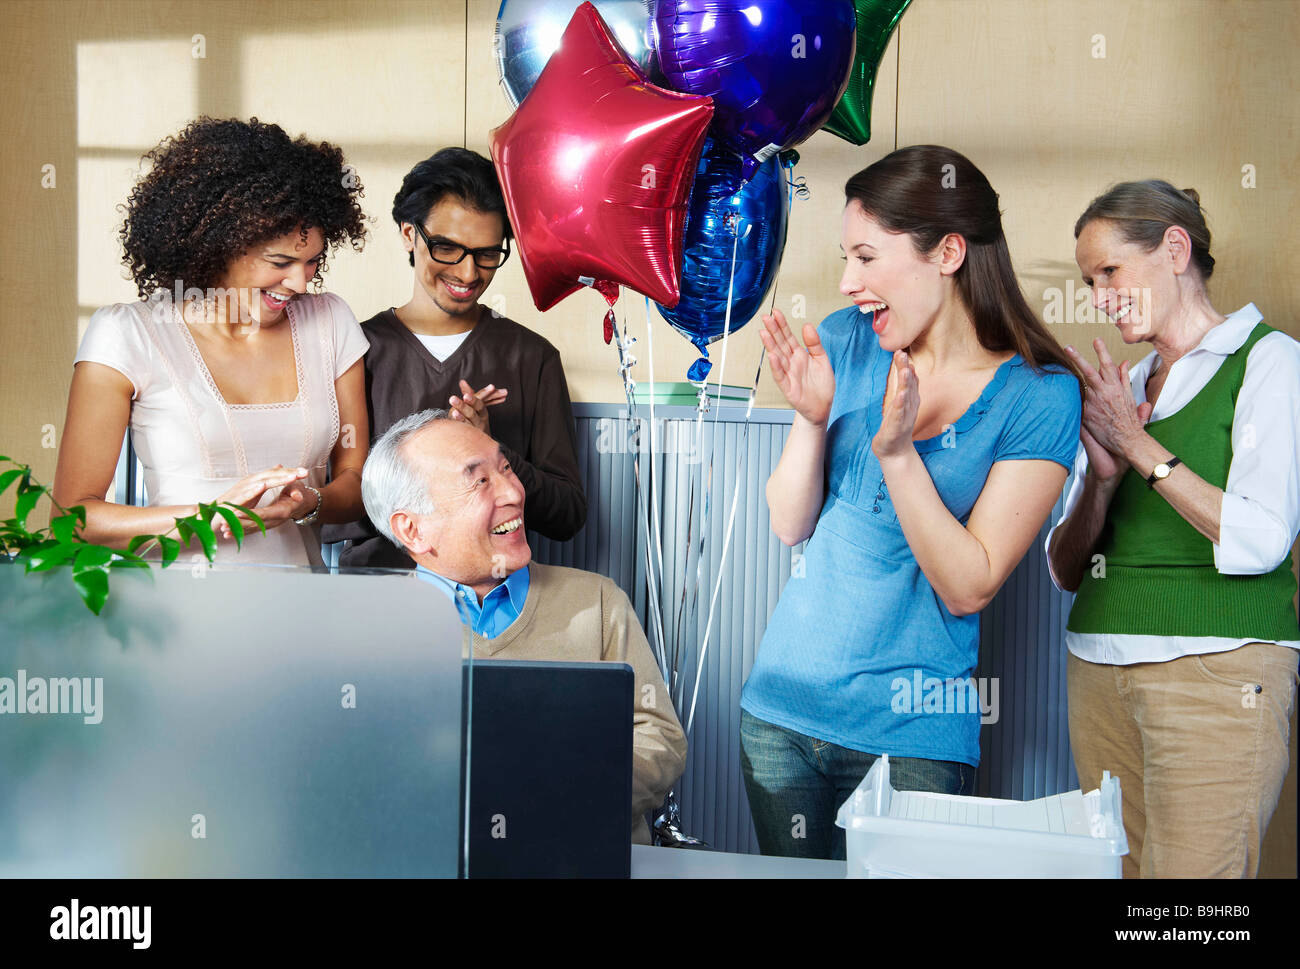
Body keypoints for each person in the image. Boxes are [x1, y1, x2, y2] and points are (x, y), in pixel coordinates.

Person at [740, 145, 1083, 860]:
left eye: (866, 257)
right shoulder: (845, 341)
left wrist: (898, 455)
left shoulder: (1039, 394)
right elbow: (787, 522)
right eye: (846, 258)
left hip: (912, 736)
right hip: (780, 712)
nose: (846, 281)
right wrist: (809, 416)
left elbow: (969, 585)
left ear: (949, 251)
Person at [1046, 180, 1300, 878]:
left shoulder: (1269, 361)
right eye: (1088, 280)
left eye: (1109, 272)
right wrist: (1101, 479)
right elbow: (1066, 569)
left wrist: (1141, 449)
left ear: (1175, 249)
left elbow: (1260, 539)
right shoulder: (1125, 388)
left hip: (1217, 672)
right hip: (1098, 670)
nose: (1098, 295)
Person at [53, 117, 371, 566]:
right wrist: (209, 517)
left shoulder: (330, 321)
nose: (300, 282)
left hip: (304, 610)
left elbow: (355, 482)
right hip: (178, 612)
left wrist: (309, 502)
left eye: (312, 262)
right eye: (280, 261)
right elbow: (73, 521)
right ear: (218, 244)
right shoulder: (129, 334)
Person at [360, 408, 684, 844]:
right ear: (414, 530)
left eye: (506, 467)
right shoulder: (370, 632)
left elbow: (659, 738)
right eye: (479, 480)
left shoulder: (598, 603)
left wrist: (555, 797)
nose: (513, 491)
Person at [323, 148, 586, 568]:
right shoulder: (355, 350)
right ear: (409, 234)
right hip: (377, 603)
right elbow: (336, 509)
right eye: (447, 248)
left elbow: (567, 516)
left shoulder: (532, 357)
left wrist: (495, 450)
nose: (467, 274)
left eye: (486, 254)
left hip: (498, 607)